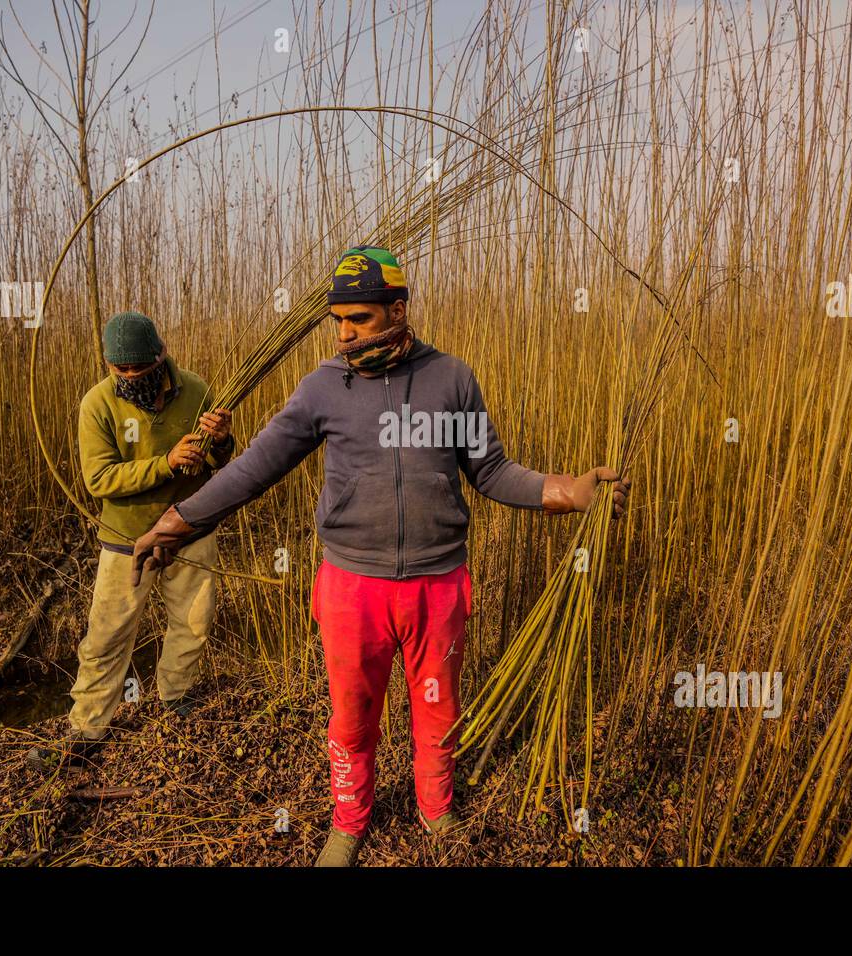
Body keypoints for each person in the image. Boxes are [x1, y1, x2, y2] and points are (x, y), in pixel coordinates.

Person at [131, 248, 629, 864]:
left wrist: (570, 491)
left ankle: (436, 807)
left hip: (437, 586)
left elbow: (492, 472)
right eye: (336, 320)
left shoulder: (452, 379)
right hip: (351, 590)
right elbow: (255, 470)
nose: (344, 333)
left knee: (437, 708)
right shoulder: (321, 388)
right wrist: (178, 521)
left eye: (359, 319)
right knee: (351, 716)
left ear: (398, 310)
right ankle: (349, 820)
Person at [27, 311, 235, 768]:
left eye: (140, 369)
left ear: (161, 355)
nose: (132, 378)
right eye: (121, 371)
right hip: (126, 539)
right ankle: (87, 728)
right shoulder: (97, 405)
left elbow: (224, 461)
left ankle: (176, 702)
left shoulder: (197, 390)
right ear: (108, 366)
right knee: (107, 636)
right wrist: (166, 462)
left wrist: (221, 441)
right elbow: (99, 478)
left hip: (190, 528)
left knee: (194, 622)